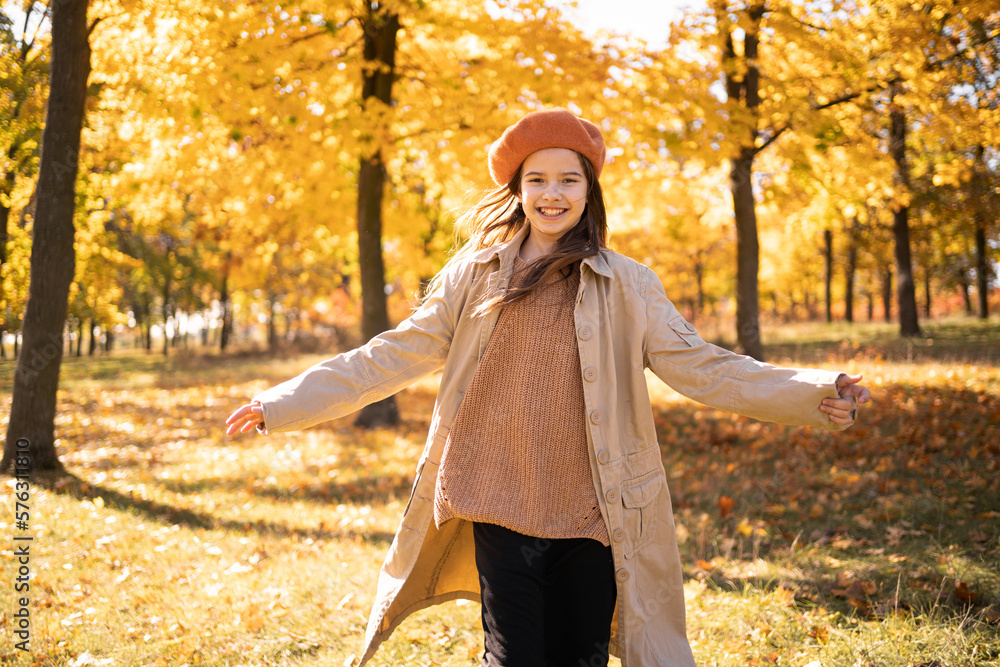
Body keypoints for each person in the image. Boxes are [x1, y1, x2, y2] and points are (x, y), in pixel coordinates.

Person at [226, 107, 871, 667]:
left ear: (589, 190)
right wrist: (280, 403)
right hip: (494, 495)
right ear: (518, 190)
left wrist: (812, 389)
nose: (552, 193)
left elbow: (704, 367)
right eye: (537, 179)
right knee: (514, 656)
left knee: (578, 656)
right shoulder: (474, 277)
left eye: (569, 179)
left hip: (593, 510)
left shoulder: (629, 284)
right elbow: (386, 357)